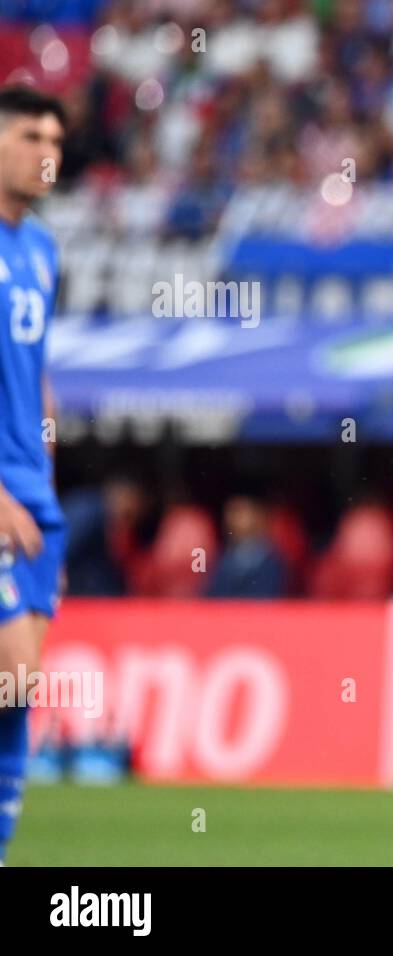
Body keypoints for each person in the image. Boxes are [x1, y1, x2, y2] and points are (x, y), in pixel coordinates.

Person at [0, 85, 66, 864]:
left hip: (34, 505)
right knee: (11, 673)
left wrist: (46, 494)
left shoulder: (43, 249)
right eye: (28, 134)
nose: (47, 148)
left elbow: (37, 373)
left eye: (55, 135)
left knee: (15, 699)